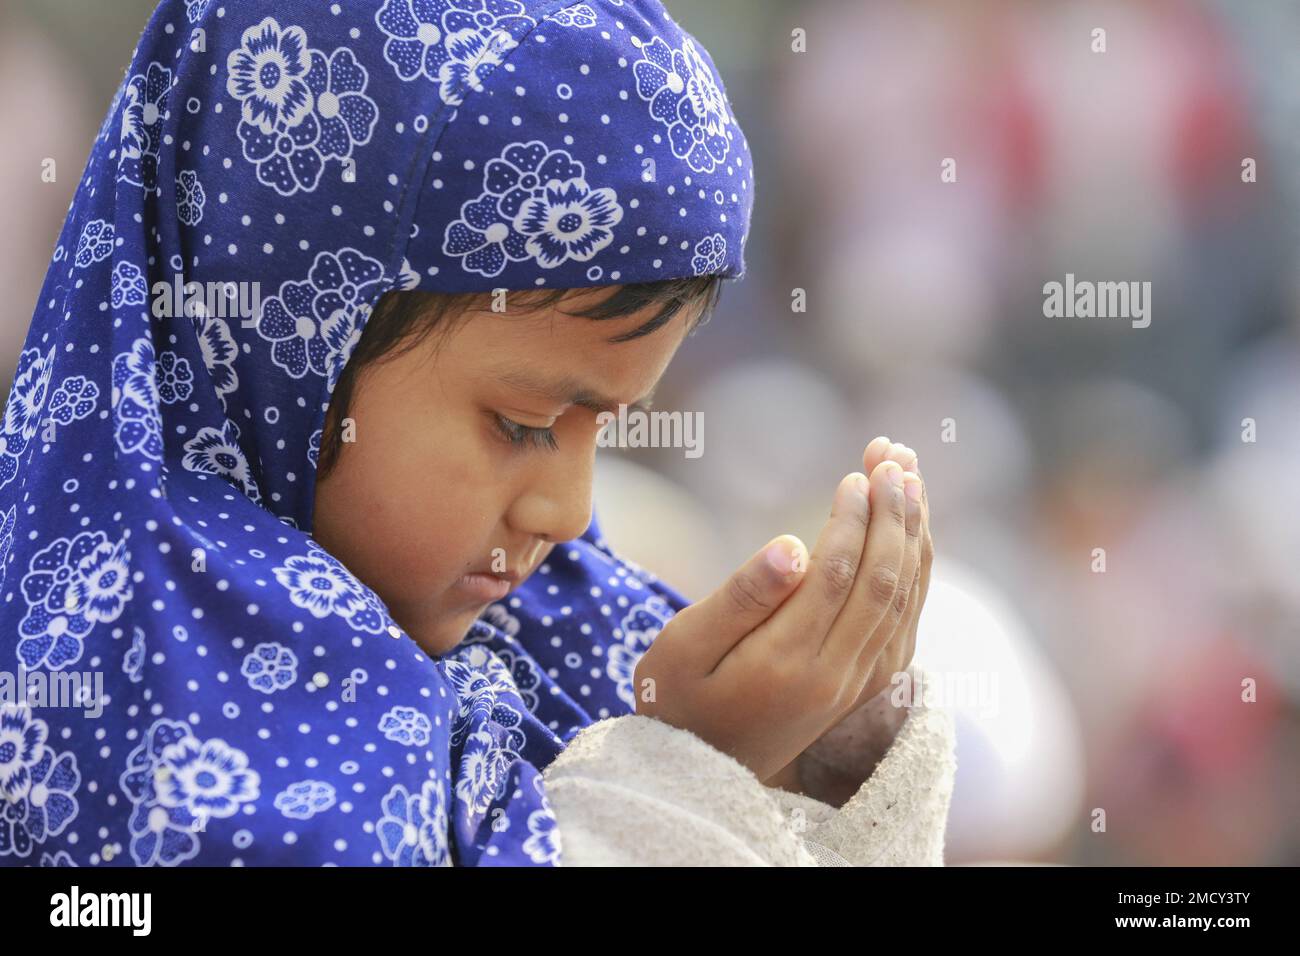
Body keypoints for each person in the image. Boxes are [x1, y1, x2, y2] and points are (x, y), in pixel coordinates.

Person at [0, 0, 953, 867]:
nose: (571, 511)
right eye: (523, 423)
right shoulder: (130, 675)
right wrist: (689, 779)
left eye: (604, 428)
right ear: (294, 333)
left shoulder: (568, 632)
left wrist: (811, 762)